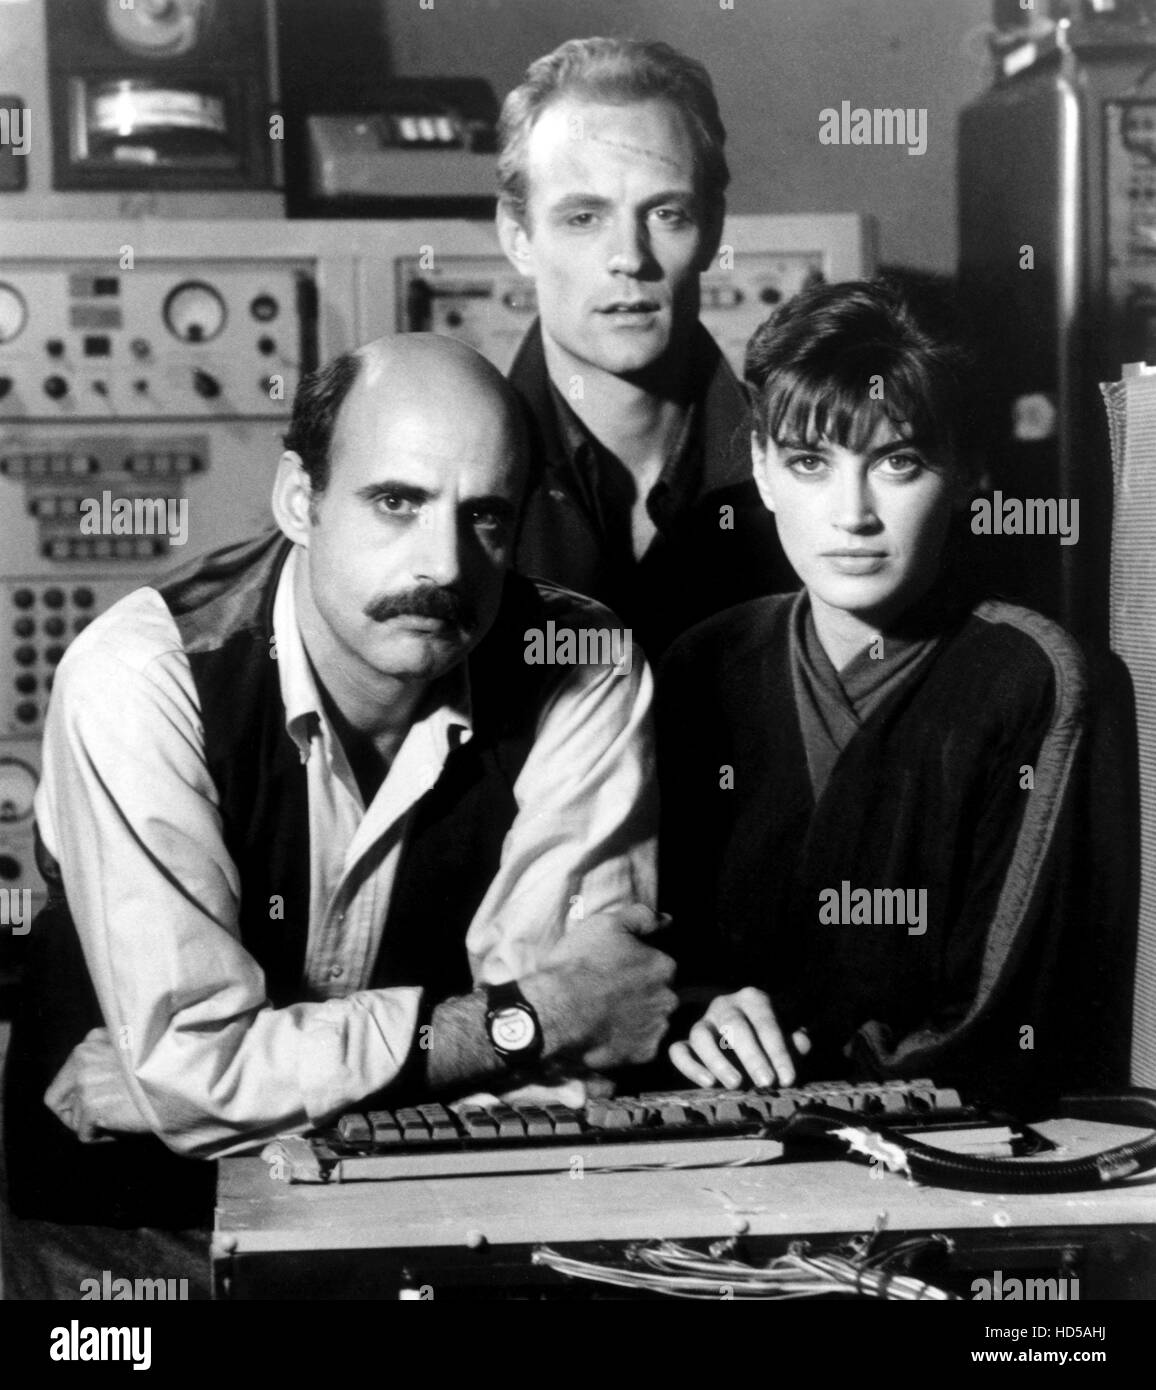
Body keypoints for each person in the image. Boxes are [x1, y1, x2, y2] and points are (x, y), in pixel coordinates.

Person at [2, 334, 675, 1297]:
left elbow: (574, 1065)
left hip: (422, 1214)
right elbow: (543, 1022)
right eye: (395, 502)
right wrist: (513, 1026)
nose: (442, 562)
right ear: (298, 500)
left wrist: (206, 1084)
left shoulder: (581, 662)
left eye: (484, 516)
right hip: (131, 1227)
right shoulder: (142, 677)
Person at [658, 278, 1137, 1103]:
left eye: (897, 462)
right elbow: (662, 957)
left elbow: (1006, 1022)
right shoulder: (709, 661)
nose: (852, 513)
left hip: (944, 1148)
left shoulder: (1036, 678)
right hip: (703, 1130)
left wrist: (801, 1075)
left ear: (968, 473)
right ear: (763, 472)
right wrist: (700, 1021)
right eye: (811, 462)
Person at [496, 36, 796, 656]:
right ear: (518, 237)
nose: (629, 257)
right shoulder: (452, 489)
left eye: (665, 214)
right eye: (584, 217)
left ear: (712, 229)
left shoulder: (808, 481)